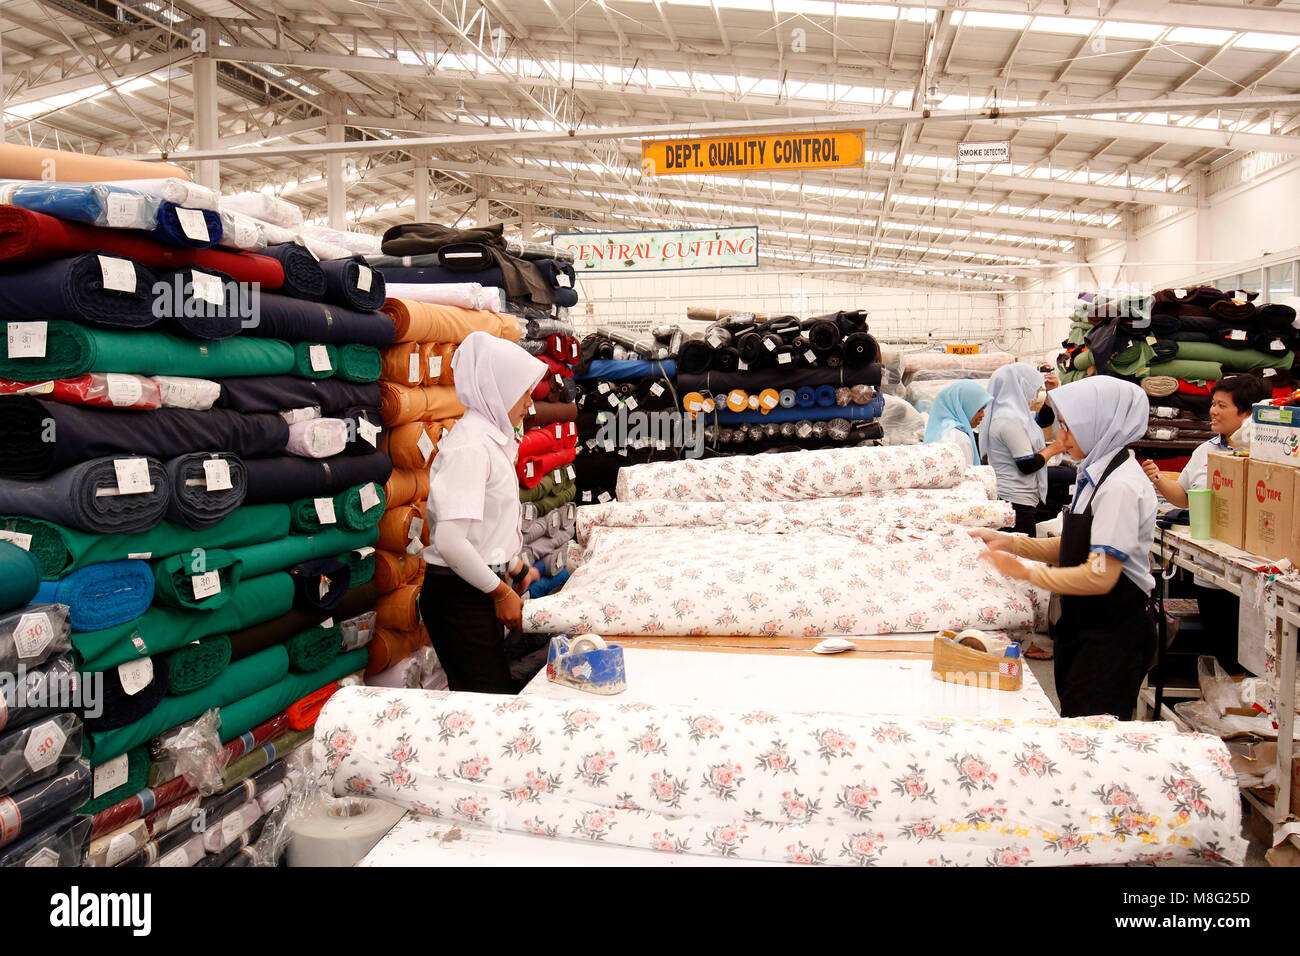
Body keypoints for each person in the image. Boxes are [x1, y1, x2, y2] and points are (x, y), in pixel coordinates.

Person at [970, 377, 1157, 719]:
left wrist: (1027, 573)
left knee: (1095, 735)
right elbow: (1074, 546)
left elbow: (1100, 576)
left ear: (1102, 424)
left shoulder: (1121, 487)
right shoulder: (1096, 475)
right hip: (1087, 626)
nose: (1060, 439)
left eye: (1069, 428)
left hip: (1111, 635)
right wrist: (1010, 542)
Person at [419, 331, 546, 693]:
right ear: (498, 391)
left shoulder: (491, 442)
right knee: (488, 700)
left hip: (474, 585)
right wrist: (500, 593)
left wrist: (513, 565)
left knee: (492, 693)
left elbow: (484, 527)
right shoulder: (470, 448)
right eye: (523, 394)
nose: (528, 405)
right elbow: (450, 540)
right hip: (458, 596)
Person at [1140, 375, 1271, 670]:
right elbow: (1184, 498)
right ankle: (1227, 705)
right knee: (1221, 647)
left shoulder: (1268, 459)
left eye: (1221, 405)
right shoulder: (1206, 450)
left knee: (1253, 659)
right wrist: (1158, 478)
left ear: (1248, 413)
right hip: (1210, 573)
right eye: (1213, 403)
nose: (1212, 411)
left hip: (1254, 579)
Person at [979, 363, 1068, 537]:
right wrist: (1056, 448)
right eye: (1034, 389)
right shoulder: (1009, 422)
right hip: (1015, 503)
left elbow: (1043, 420)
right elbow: (1027, 464)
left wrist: (1052, 394)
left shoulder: (1013, 416)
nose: (1036, 395)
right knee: (1022, 557)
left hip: (1017, 499)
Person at [923, 380, 992, 467]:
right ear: (963, 407)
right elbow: (968, 475)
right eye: (978, 410)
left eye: (983, 409)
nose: (982, 415)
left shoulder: (938, 431)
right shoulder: (961, 439)